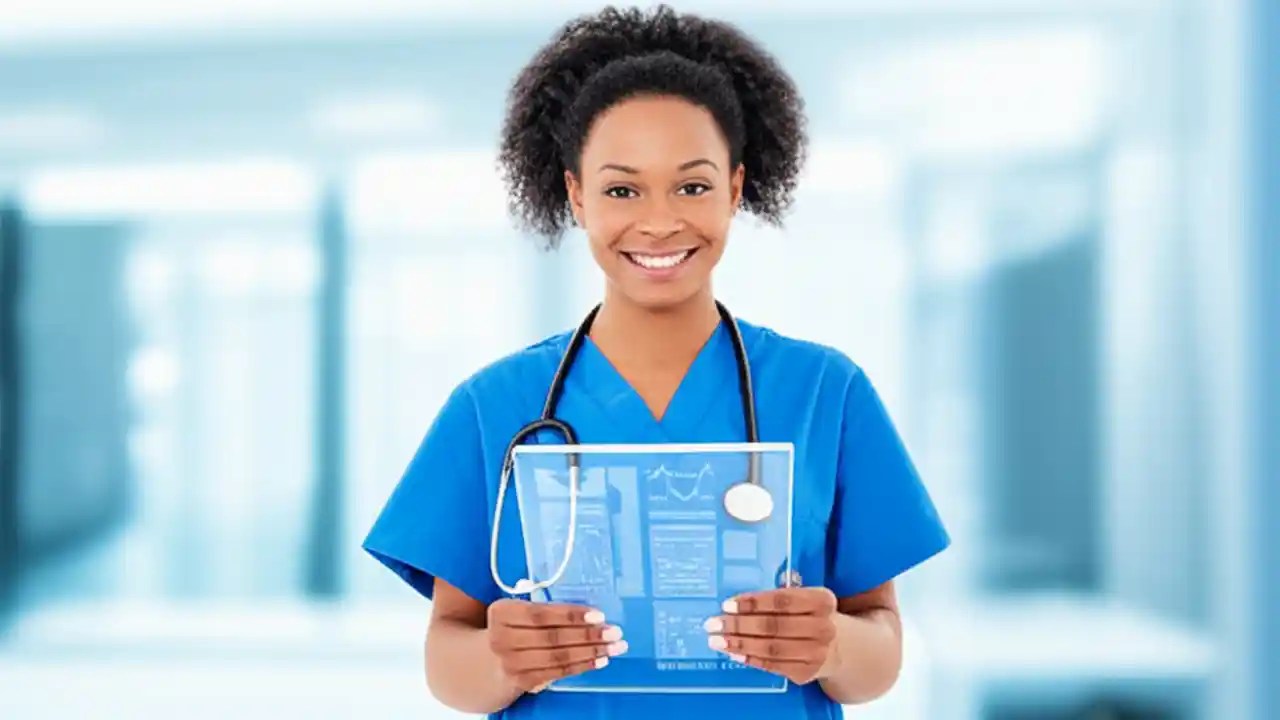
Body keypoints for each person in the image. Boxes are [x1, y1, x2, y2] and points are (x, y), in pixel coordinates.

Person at [362, 5, 950, 718]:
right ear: (576, 195)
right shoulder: (496, 407)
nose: (660, 220)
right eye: (621, 189)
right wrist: (498, 656)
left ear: (736, 188)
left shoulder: (826, 393)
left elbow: (879, 648)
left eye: (693, 186)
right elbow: (447, 660)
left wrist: (829, 647)